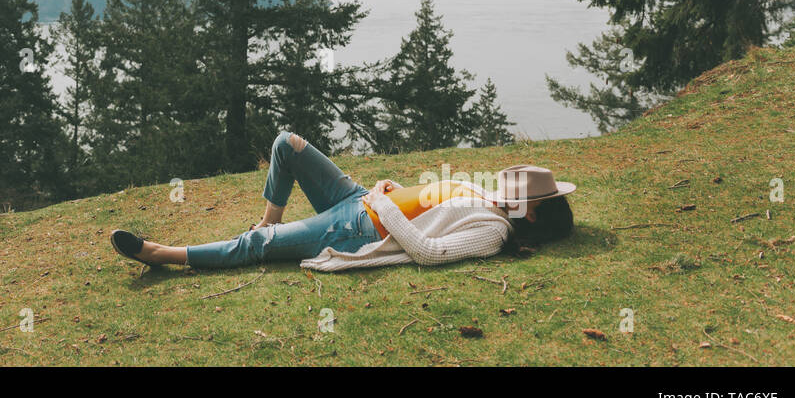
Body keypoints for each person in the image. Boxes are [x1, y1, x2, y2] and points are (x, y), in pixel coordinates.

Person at [110, 130, 575, 272]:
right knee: (287, 144)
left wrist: (382, 205)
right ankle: (266, 222)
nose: (508, 182)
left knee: (259, 247)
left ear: (531, 214)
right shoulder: (487, 198)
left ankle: (160, 254)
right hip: (359, 198)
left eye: (523, 190)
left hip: (358, 228)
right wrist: (391, 189)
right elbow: (427, 203)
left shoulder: (493, 231)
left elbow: (429, 251)